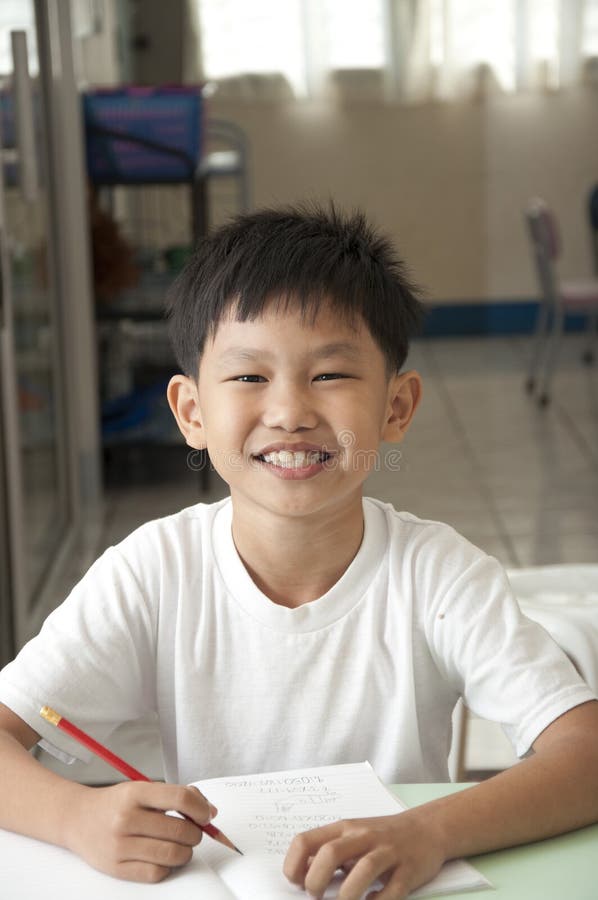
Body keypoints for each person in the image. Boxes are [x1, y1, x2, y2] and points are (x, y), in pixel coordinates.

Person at [0, 203, 597, 900]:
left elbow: (585, 755)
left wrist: (431, 831)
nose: (289, 413)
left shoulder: (439, 574)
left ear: (397, 407)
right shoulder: (153, 572)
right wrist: (76, 817)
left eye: (330, 375)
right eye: (249, 378)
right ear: (192, 412)